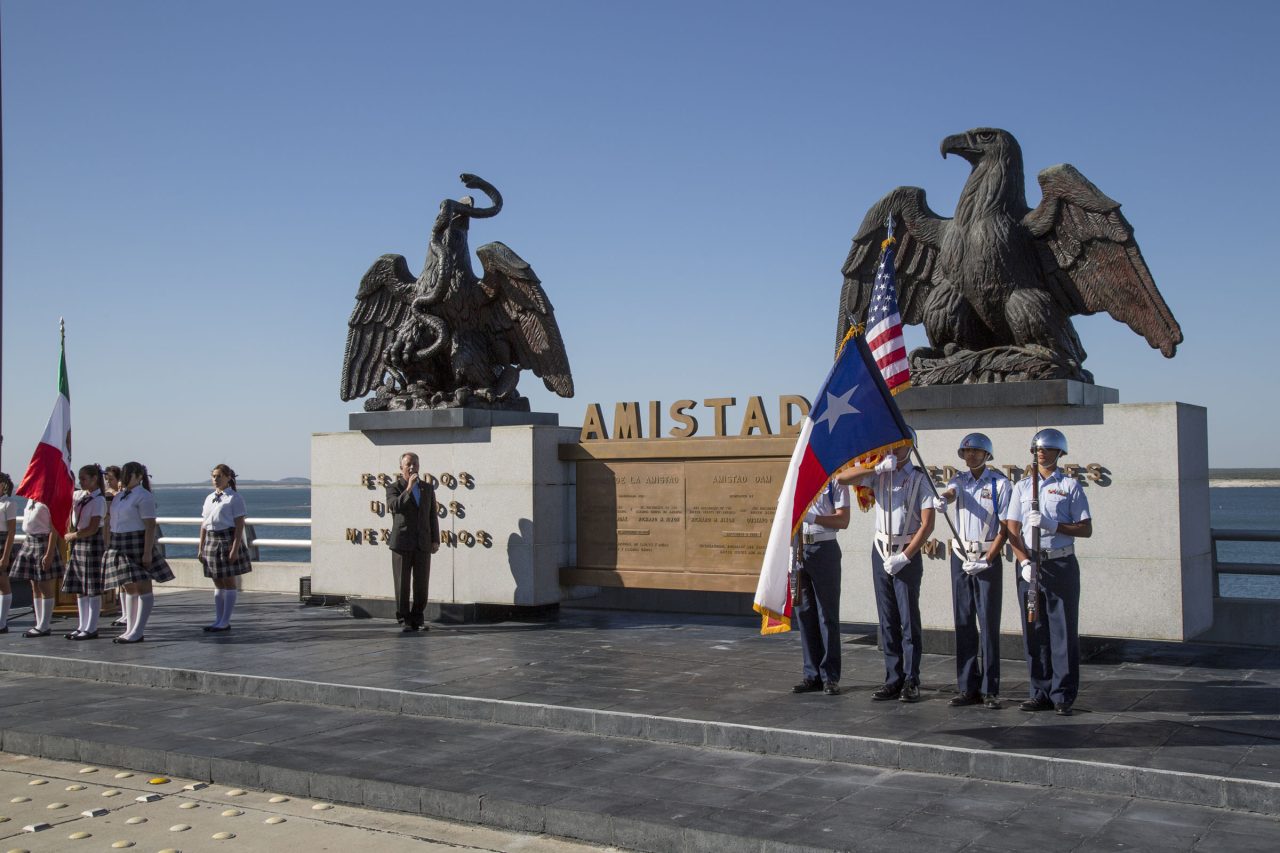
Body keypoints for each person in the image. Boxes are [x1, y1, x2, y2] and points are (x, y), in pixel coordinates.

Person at [837, 443, 936, 702]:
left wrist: (905, 556)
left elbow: (927, 525)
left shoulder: (919, 479)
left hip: (906, 552)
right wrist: (875, 466)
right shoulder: (880, 473)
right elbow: (842, 478)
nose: (892, 451)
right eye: (890, 447)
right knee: (887, 618)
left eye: (899, 447)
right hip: (881, 550)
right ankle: (893, 678)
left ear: (911, 449)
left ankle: (911, 679)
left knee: (908, 619)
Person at [1007, 428, 1092, 716]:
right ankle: (1039, 691)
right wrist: (1023, 561)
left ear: (1059, 453)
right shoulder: (1021, 487)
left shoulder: (1070, 486)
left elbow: (1086, 528)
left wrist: (1053, 525)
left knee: (1062, 630)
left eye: (1047, 449)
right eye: (1037, 450)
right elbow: (1011, 529)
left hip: (1060, 563)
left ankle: (1063, 694)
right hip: (1031, 565)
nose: (1041, 453)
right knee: (1034, 629)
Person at [939, 434, 1011, 709]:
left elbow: (1005, 527)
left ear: (986, 455)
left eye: (976, 451)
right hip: (961, 556)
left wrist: (989, 559)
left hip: (987, 556)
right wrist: (941, 499)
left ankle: (990, 688)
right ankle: (967, 686)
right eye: (967, 451)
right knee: (964, 622)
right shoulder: (960, 480)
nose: (970, 456)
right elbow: (950, 492)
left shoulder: (1000, 484)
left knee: (989, 625)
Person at [790, 479, 852, 696]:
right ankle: (811, 674)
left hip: (823, 547)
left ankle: (830, 676)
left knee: (826, 614)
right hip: (798, 548)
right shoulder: (796, 478)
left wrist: (812, 517)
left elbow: (843, 520)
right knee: (804, 613)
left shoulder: (835, 480)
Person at [102, 461, 174, 643]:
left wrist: (147, 552)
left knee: (143, 586)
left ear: (139, 476)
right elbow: (111, 521)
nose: (125, 478)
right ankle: (129, 629)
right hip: (119, 543)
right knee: (127, 586)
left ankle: (138, 630)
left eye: (129, 475)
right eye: (124, 474)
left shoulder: (144, 496)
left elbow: (150, 525)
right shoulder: (120, 496)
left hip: (136, 542)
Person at [386, 452, 440, 632]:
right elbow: (395, 507)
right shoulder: (394, 487)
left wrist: (435, 539)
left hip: (422, 543)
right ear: (401, 467)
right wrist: (409, 488)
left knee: (421, 583)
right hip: (401, 543)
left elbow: (432, 515)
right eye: (408, 464)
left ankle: (418, 618)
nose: (412, 467)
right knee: (402, 584)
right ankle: (404, 619)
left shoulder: (427, 488)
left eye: (415, 464)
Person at [199, 464, 252, 632]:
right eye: (214, 476)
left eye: (219, 476)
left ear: (228, 477)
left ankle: (225, 621)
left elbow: (239, 526)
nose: (216, 479)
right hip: (211, 541)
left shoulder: (234, 498)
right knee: (217, 582)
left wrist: (235, 549)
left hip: (227, 539)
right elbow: (204, 525)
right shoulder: (209, 498)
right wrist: (200, 547)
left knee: (229, 582)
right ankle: (218, 619)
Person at [8, 495, 67, 638]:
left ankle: (45, 624)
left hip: (43, 541)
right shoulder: (30, 500)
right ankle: (38, 622)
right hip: (30, 540)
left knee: (45, 586)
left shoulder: (49, 501)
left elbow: (54, 528)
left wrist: (49, 553)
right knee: (34, 585)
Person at [61, 465, 109, 640]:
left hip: (90, 542)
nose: (81, 482)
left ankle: (91, 627)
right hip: (79, 542)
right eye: (80, 479)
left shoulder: (98, 500)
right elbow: (65, 492)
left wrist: (73, 535)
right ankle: (82, 625)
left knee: (91, 587)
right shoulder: (80, 496)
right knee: (80, 588)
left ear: (95, 479)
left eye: (84, 479)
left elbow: (93, 527)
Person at [0, 473, 18, 634]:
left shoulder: (8, 503)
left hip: (2, 541)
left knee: (3, 583)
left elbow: (12, 531)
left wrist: (5, 556)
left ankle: (2, 621)